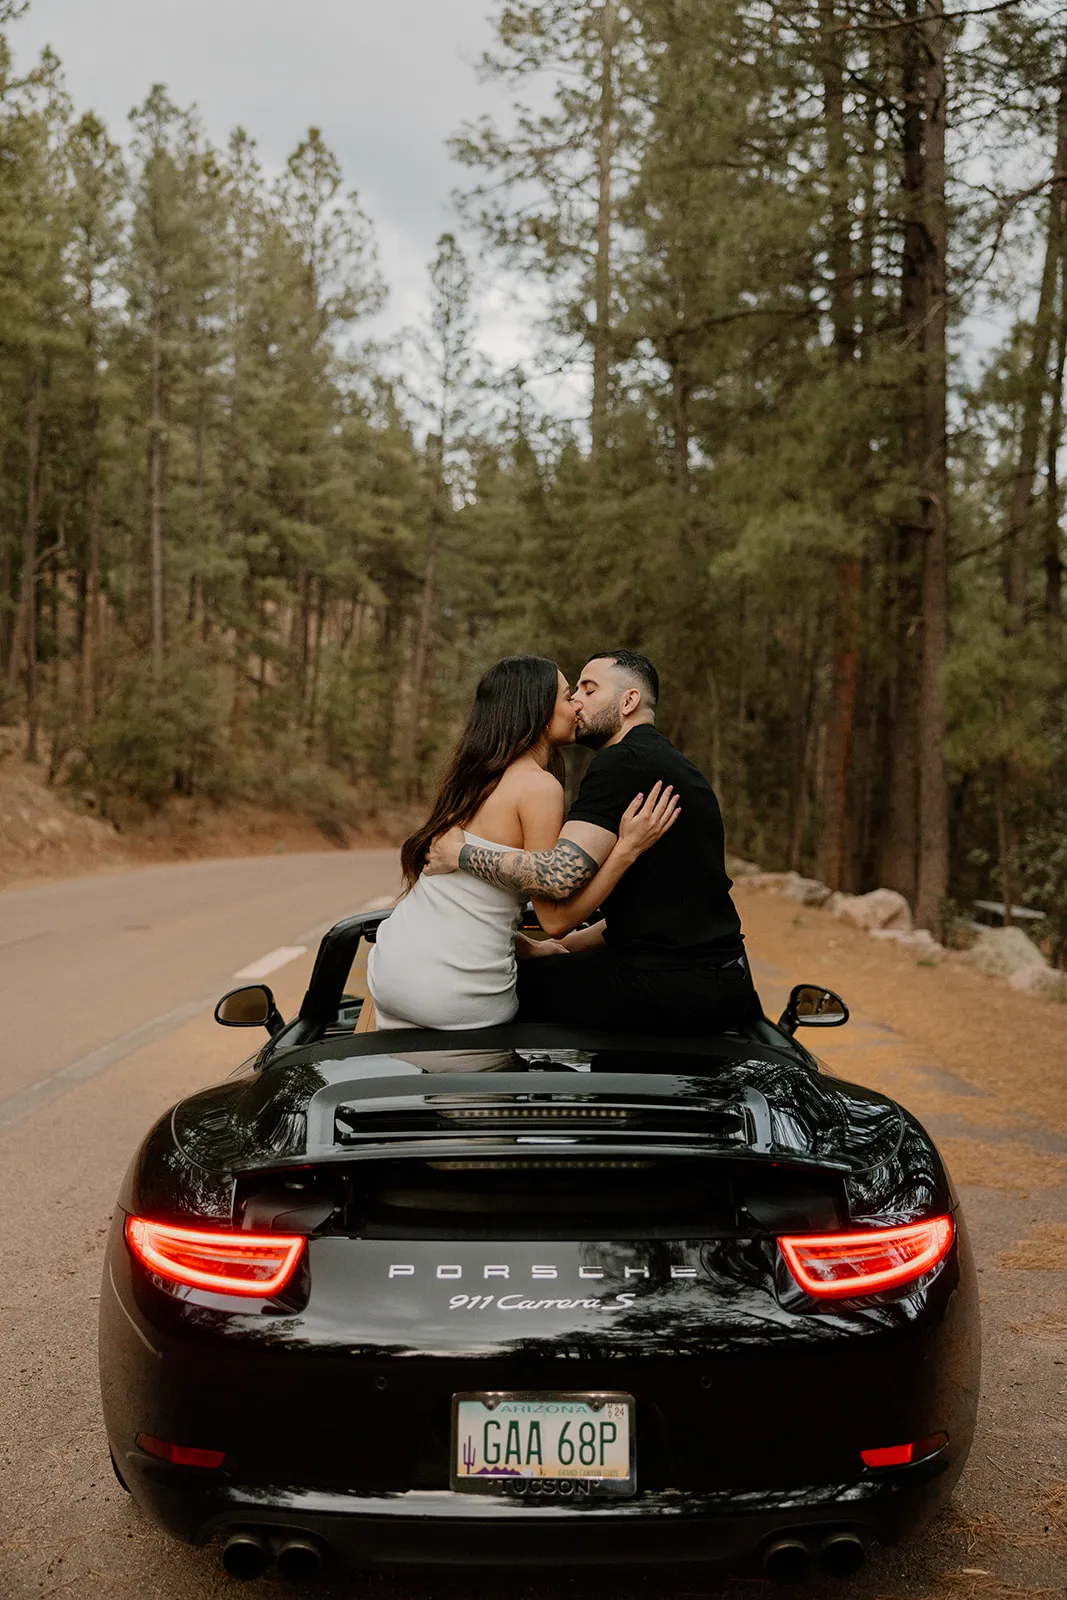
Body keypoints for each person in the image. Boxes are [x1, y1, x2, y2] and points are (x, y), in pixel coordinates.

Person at [425, 648, 758, 1036]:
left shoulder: (623, 762)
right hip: (718, 980)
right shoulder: (674, 766)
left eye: (588, 689)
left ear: (629, 701)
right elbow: (654, 913)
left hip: (669, 986)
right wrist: (558, 947)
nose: (576, 702)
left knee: (488, 990)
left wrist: (460, 853)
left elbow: (556, 884)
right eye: (574, 692)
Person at [367, 653, 679, 1030]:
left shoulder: (472, 779)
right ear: (540, 713)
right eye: (568, 696)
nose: (576, 705)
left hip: (391, 967)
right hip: (453, 992)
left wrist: (525, 945)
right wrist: (626, 850)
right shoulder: (539, 786)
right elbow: (553, 911)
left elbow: (467, 902)